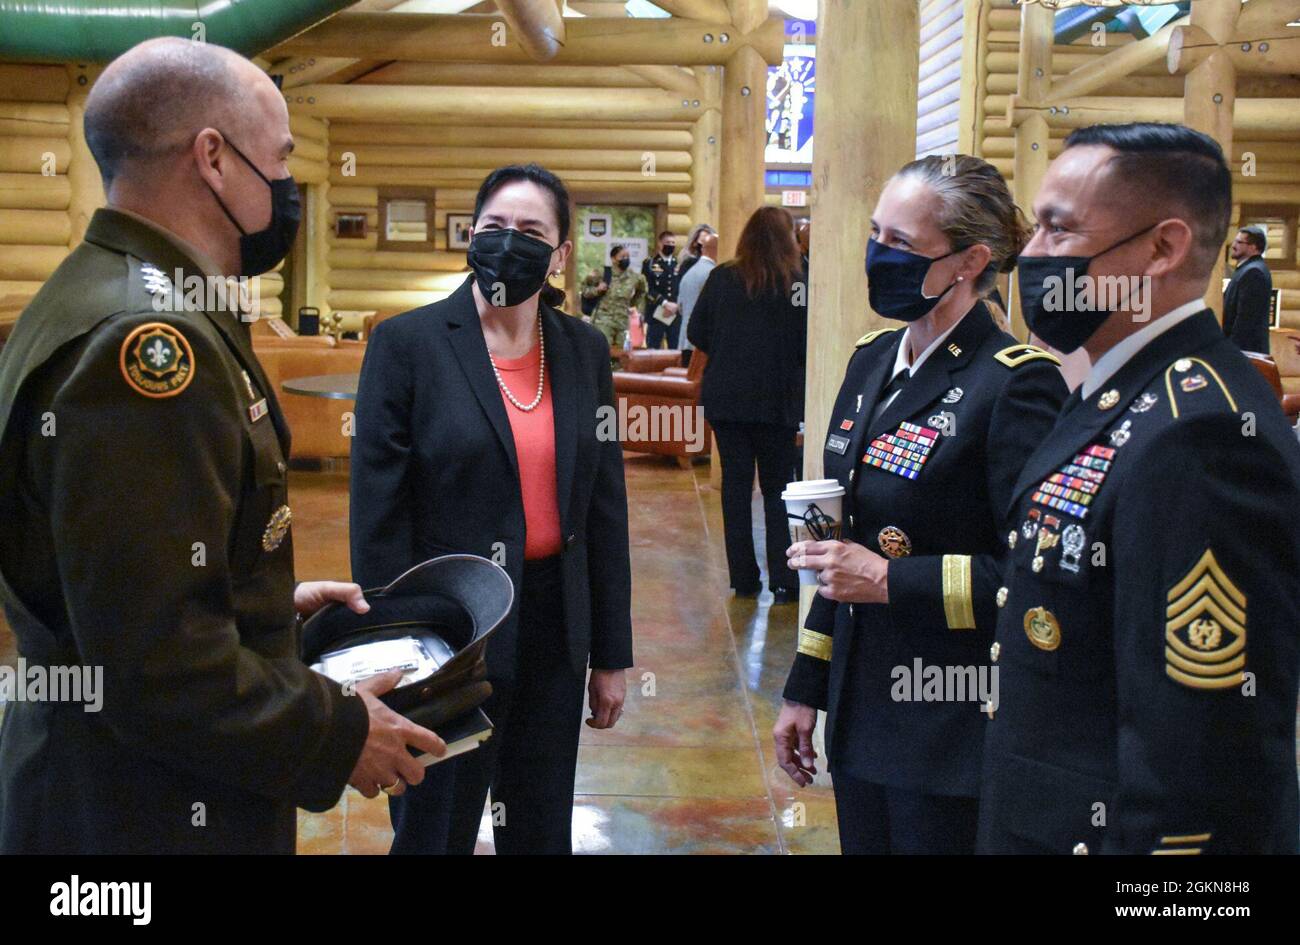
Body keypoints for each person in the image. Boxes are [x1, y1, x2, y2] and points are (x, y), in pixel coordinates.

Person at [0, 38, 443, 855]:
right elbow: (158, 664)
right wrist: (341, 732)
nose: (284, 184)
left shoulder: (101, 288)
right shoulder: (149, 344)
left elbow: (125, 576)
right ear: (213, 156)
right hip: (140, 812)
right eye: (277, 159)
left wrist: (260, 600)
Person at [979, 122, 1300, 854]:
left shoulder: (1202, 433)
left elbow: (1203, 753)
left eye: (1059, 232)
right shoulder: (1120, 386)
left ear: (1163, 248)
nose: (1030, 257)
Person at [772, 155, 1068, 854]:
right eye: (877, 233)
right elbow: (842, 545)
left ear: (971, 260)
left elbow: (1036, 578)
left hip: (950, 720)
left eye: (902, 244)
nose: (879, 254)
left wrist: (890, 578)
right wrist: (804, 685)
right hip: (860, 709)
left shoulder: (1016, 387)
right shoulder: (871, 360)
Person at [351, 163, 633, 855]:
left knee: (537, 827)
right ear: (470, 237)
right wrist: (392, 653)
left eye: (531, 231)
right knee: (434, 828)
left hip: (552, 627)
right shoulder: (407, 345)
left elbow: (603, 508)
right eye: (495, 227)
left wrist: (612, 653)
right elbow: (379, 520)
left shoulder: (582, 350)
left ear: (561, 253)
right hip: (447, 633)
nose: (510, 242)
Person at [687, 207, 807, 602]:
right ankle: (785, 579)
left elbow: (696, 332)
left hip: (728, 400)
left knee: (735, 490)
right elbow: (808, 342)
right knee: (779, 488)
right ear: (788, 238)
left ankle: (743, 578)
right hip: (779, 402)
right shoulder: (799, 282)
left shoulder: (722, 277)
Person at [583, 243, 646, 350]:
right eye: (622, 257)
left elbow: (642, 292)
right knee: (602, 351)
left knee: (621, 355)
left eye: (627, 257)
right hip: (603, 321)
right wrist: (597, 290)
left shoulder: (635, 277)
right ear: (613, 259)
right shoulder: (602, 274)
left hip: (623, 322)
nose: (626, 259)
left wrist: (634, 305)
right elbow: (584, 291)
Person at [1222, 224, 1273, 355]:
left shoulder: (1254, 272)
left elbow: (1245, 321)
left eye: (1239, 242)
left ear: (1253, 247)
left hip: (1246, 352)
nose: (1233, 245)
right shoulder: (1246, 269)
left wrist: (1231, 352)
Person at [677, 228, 718, 367]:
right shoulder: (714, 273)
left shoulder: (689, 273)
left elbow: (680, 307)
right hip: (702, 347)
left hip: (685, 341)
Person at [642, 229, 681, 349]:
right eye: (668, 242)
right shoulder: (650, 263)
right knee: (653, 348)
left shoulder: (679, 263)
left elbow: (682, 287)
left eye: (673, 243)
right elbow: (647, 288)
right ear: (660, 243)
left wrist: (676, 305)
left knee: (675, 348)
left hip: (675, 312)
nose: (671, 245)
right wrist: (665, 303)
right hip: (656, 311)